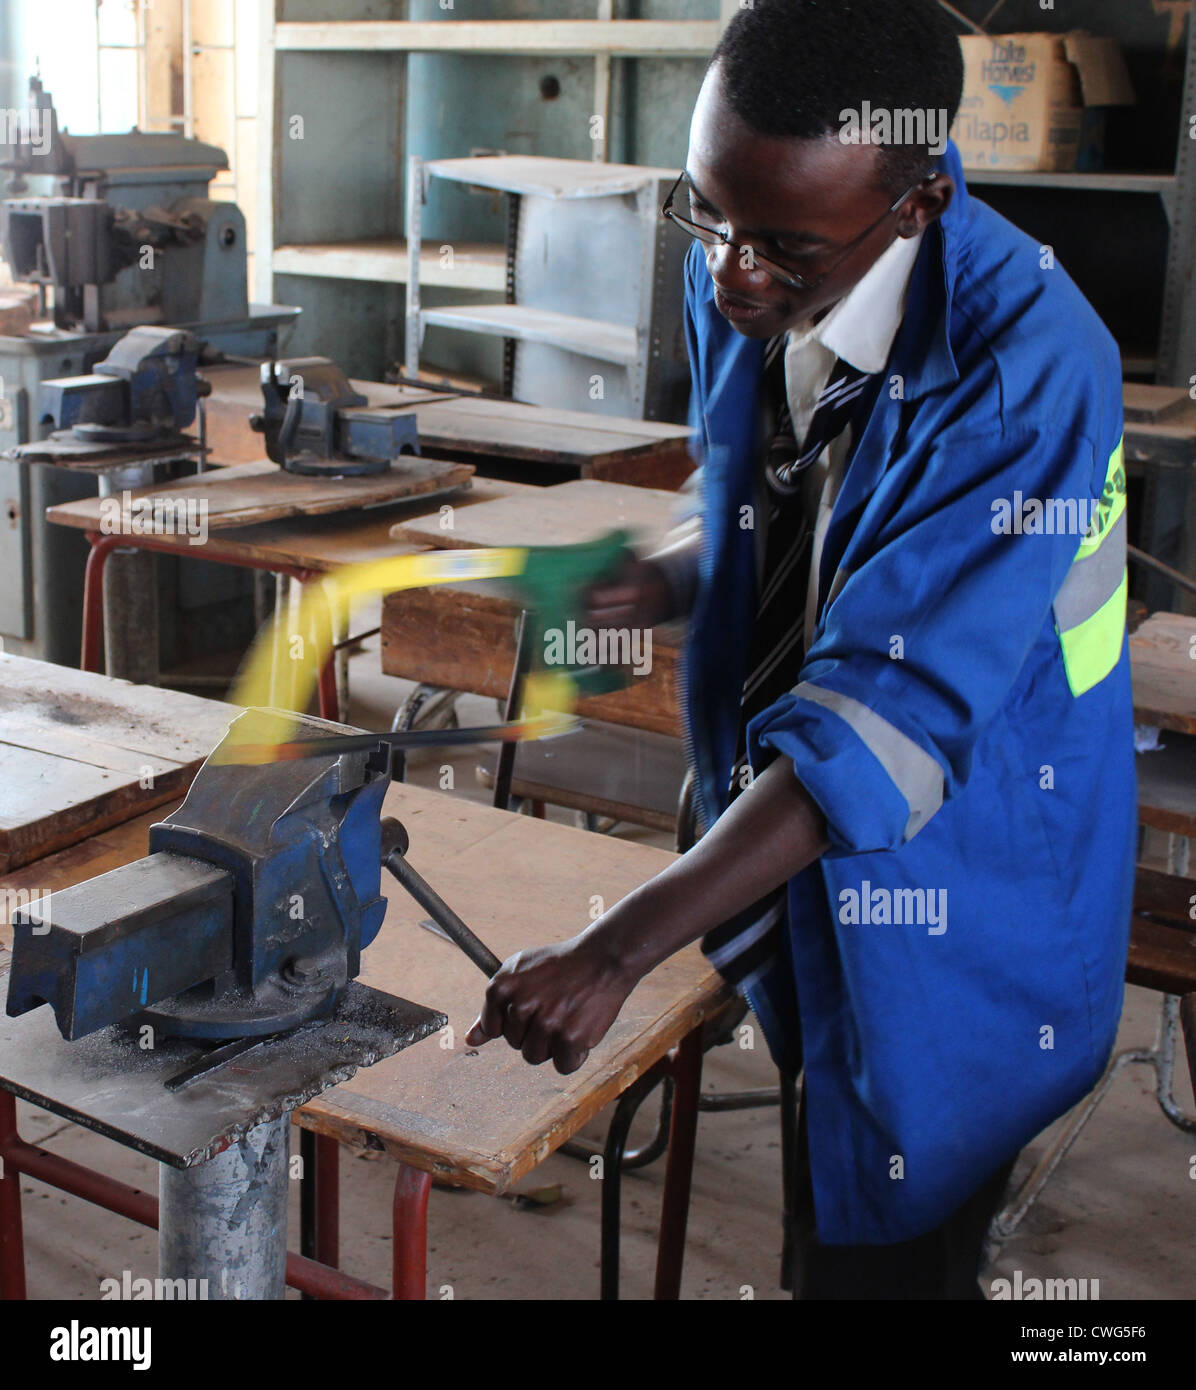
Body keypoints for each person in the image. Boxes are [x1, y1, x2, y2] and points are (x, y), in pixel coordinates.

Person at [466, 0, 1135, 1299]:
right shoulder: (759, 243)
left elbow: (885, 723)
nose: (730, 277)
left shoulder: (1030, 369)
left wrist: (615, 950)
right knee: (826, 1175)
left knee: (884, 1241)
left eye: (779, 248)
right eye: (705, 214)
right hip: (800, 856)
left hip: (961, 893)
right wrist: (660, 577)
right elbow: (776, 494)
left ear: (917, 201)